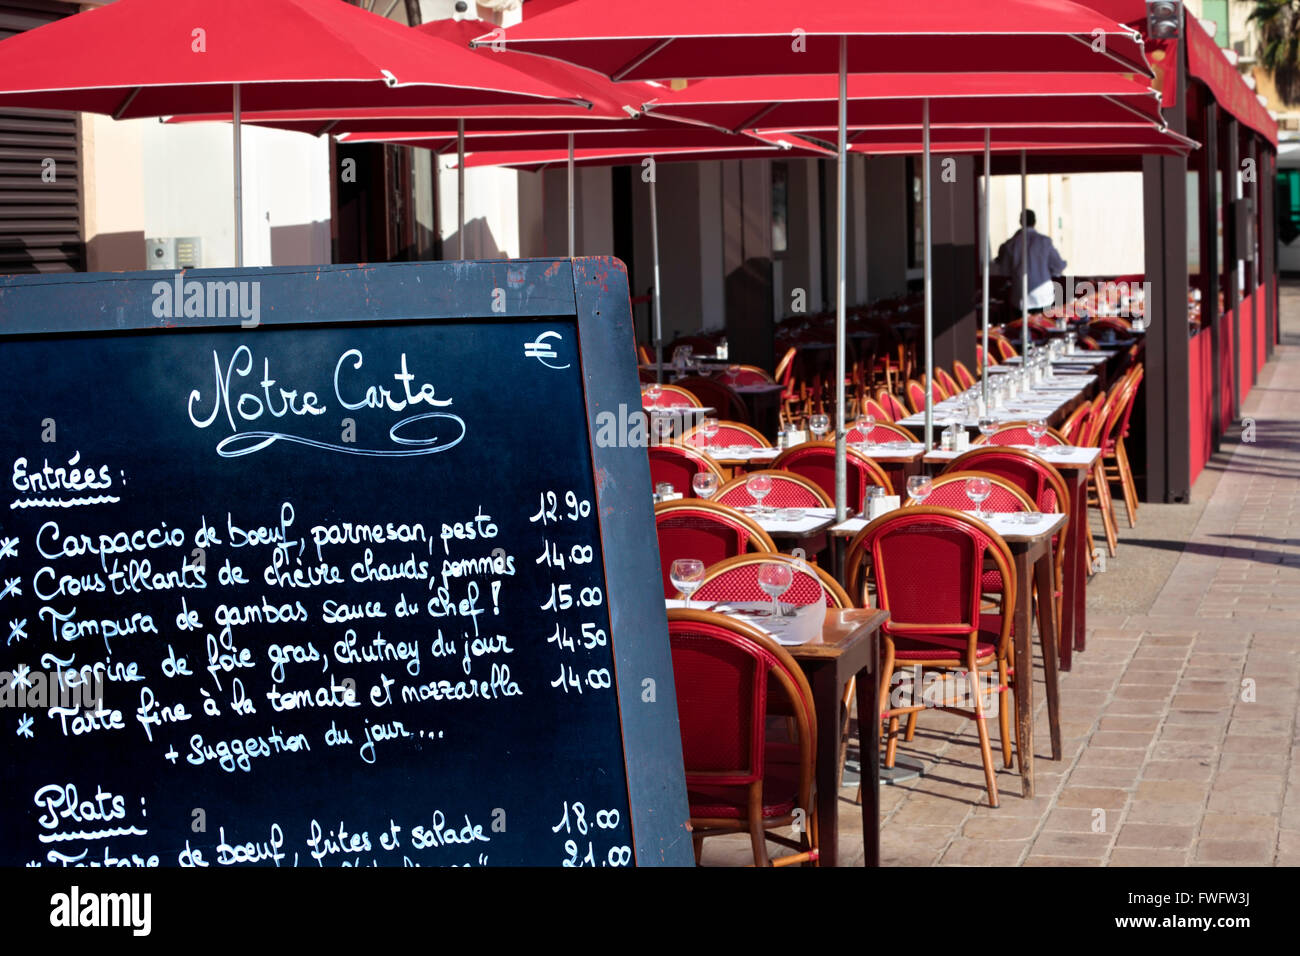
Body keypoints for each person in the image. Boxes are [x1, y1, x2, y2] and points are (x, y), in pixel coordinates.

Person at [996, 210, 1066, 314]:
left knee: (1021, 328)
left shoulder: (1012, 244)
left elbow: (1004, 271)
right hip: (1043, 296)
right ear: (1034, 222)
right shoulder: (1044, 241)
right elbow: (1059, 265)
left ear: (1020, 222)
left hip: (1021, 297)